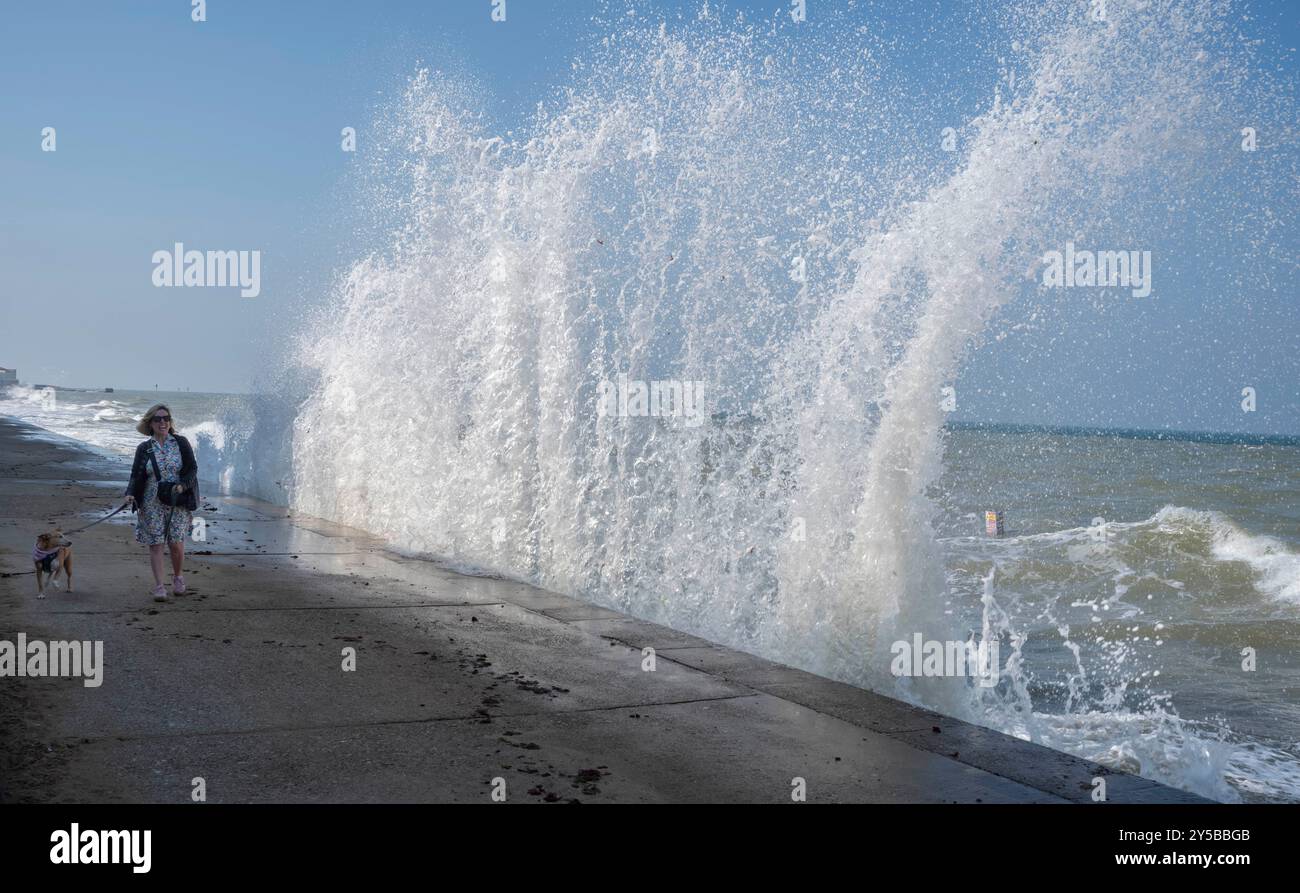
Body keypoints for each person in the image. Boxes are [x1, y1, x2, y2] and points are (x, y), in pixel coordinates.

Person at [123, 404, 199, 602]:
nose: (162, 422)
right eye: (157, 419)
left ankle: (178, 578)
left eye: (166, 418)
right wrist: (130, 494)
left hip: (177, 500)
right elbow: (136, 475)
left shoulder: (181, 443)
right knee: (156, 544)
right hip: (151, 501)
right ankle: (159, 586)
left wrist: (182, 485)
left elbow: (192, 470)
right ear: (150, 423)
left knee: (176, 543)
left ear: (170, 422)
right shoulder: (144, 448)